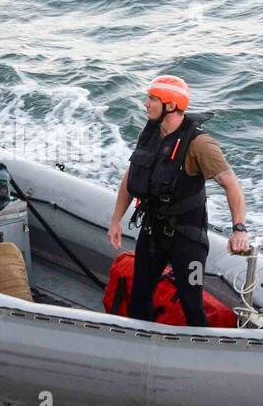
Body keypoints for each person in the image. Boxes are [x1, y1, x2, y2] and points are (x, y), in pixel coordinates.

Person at [107, 75, 251, 327]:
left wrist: (238, 229)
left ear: (171, 106)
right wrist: (116, 219)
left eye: (152, 99)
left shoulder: (200, 144)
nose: (145, 103)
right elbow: (131, 178)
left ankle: (203, 355)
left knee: (191, 300)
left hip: (187, 240)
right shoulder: (149, 133)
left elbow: (232, 185)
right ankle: (144, 349)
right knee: (139, 295)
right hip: (152, 231)